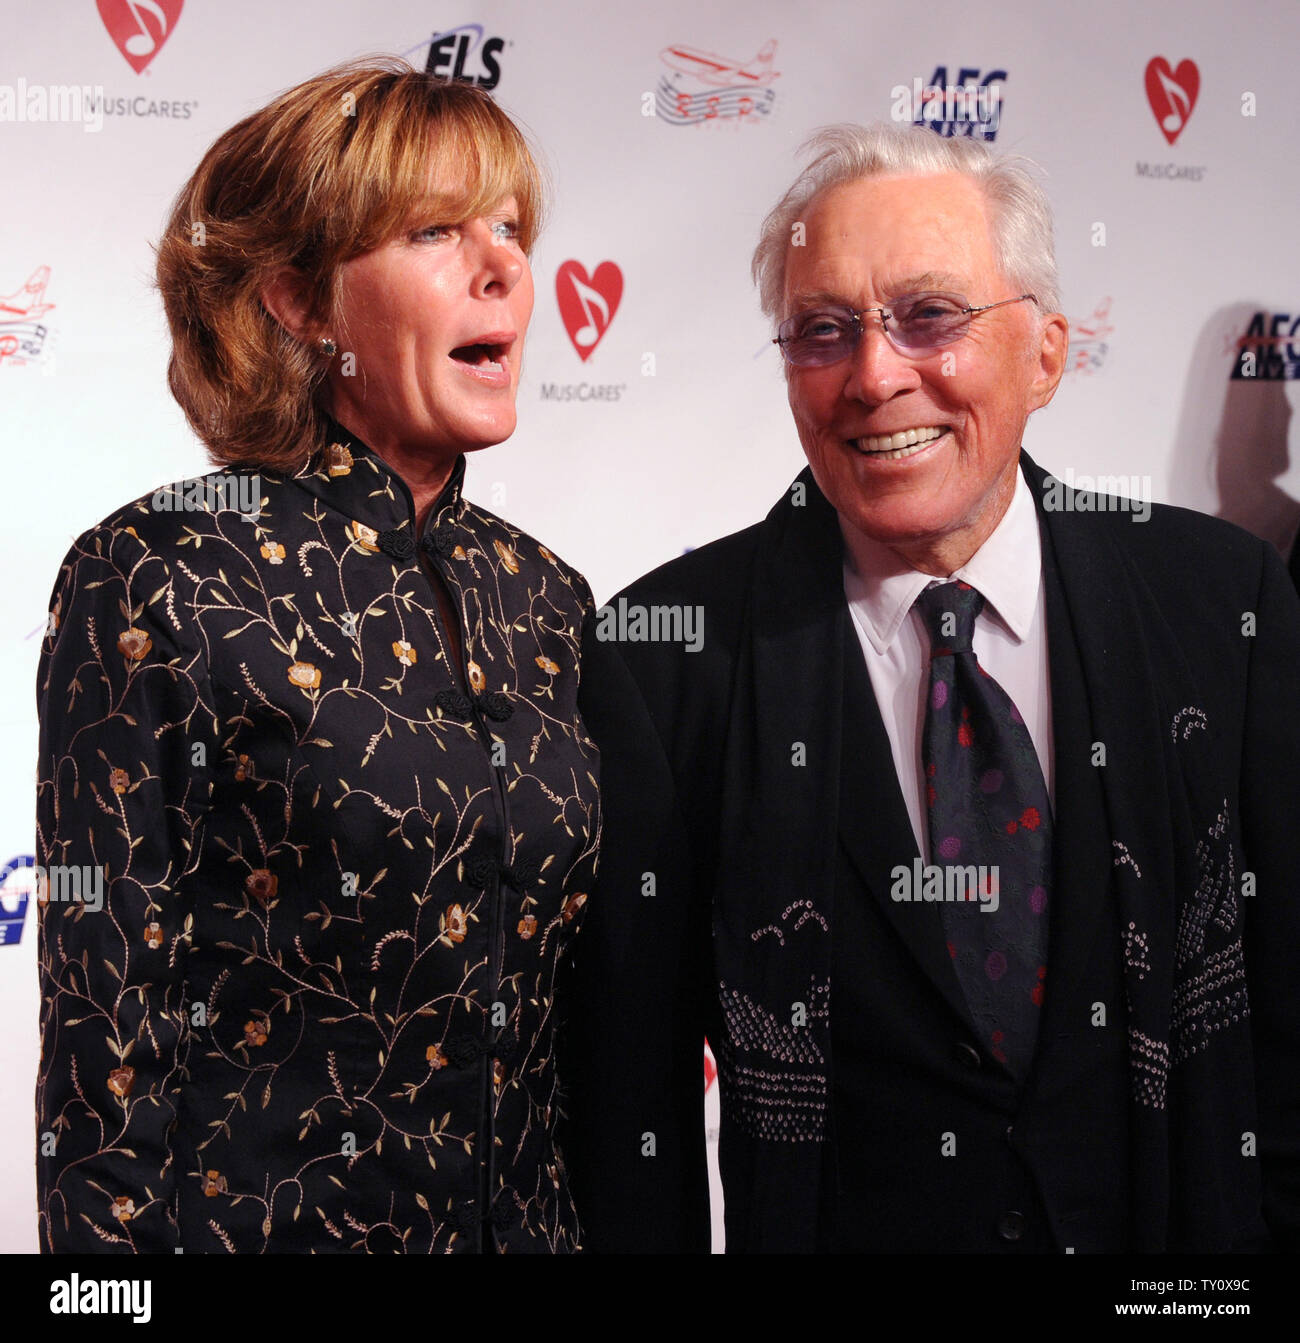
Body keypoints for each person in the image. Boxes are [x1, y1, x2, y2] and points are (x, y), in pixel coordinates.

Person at [564, 122, 1300, 1253]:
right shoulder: (665, 655)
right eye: (822, 331)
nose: (872, 374)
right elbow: (634, 1116)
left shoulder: (1220, 603)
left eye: (930, 316)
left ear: (1046, 352)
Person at [35, 59, 599, 1254]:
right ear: (296, 297)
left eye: (509, 226)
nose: (500, 263)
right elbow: (103, 1057)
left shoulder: (546, 596)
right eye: (435, 230)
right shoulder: (157, 570)